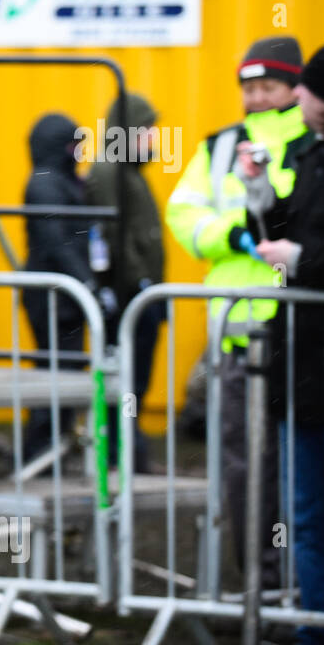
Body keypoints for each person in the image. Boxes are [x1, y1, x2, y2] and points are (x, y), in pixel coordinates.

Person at [166, 37, 307, 587]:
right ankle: (261, 590)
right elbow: (184, 213)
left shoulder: (314, 143)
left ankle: (305, 591)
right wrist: (229, 233)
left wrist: (268, 212)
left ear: (295, 86)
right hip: (235, 332)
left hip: (301, 331)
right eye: (247, 88)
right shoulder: (220, 146)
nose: (255, 97)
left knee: (303, 467)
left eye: (267, 86)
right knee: (243, 468)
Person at [241, 41, 324, 645]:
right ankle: (316, 639)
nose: (298, 97)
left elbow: (313, 248)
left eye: (309, 89)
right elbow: (290, 226)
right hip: (300, 364)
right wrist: (258, 194)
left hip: (316, 357)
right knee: (305, 511)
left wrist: (303, 262)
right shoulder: (311, 157)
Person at [86, 92, 163, 473]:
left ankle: (129, 449)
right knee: (125, 377)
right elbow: (113, 235)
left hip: (142, 296)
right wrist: (140, 282)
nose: (153, 139)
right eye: (147, 130)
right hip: (129, 297)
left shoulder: (129, 172)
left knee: (137, 378)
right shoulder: (108, 171)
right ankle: (120, 452)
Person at [21, 113, 95, 463]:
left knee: (63, 375)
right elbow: (56, 243)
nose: (78, 151)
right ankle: (39, 453)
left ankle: (53, 451)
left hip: (64, 297)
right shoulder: (45, 184)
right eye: (72, 144)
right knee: (55, 377)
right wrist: (87, 281)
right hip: (52, 299)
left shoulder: (63, 181)